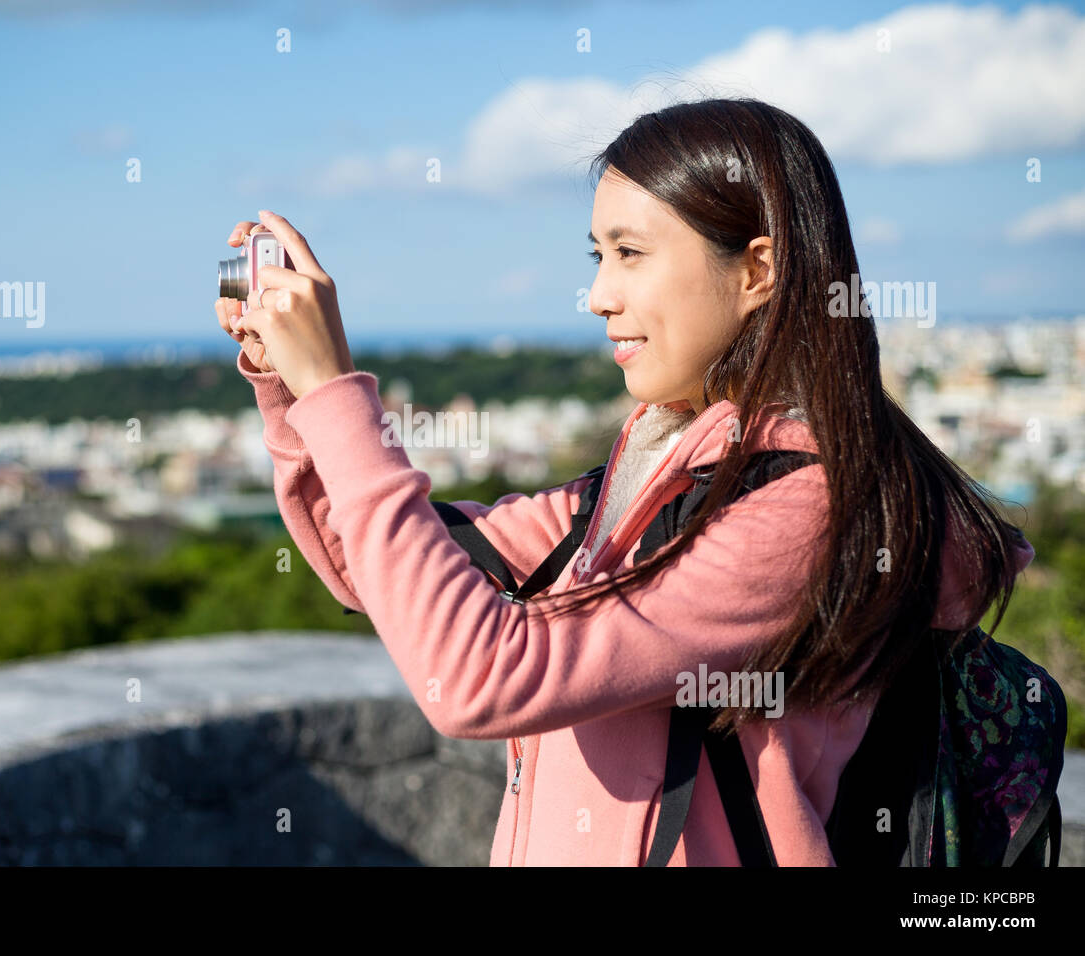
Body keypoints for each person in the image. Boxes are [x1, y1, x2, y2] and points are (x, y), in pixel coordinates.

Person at [214, 97, 1035, 866]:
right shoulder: (648, 480)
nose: (599, 296)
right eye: (598, 256)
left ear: (757, 271)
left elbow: (475, 677)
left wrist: (334, 393)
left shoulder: (804, 509)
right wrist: (287, 387)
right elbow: (375, 568)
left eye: (630, 254)